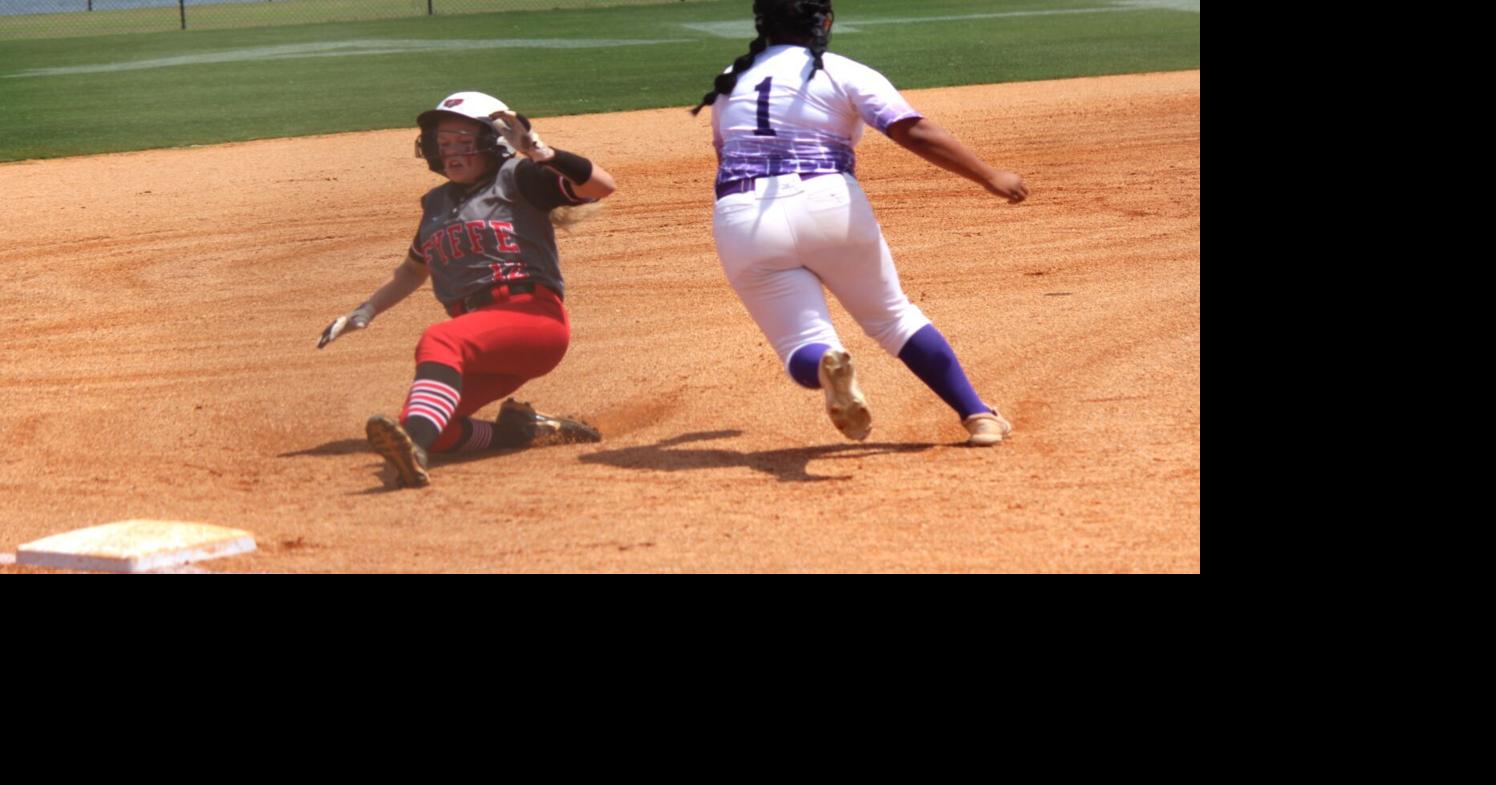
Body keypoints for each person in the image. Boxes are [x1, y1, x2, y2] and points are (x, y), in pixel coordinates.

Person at [691, 0, 1029, 446]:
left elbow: (724, 156)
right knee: (893, 319)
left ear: (762, 23)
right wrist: (989, 176)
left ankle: (823, 364)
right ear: (825, 21)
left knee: (802, 343)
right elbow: (911, 129)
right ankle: (978, 416)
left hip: (744, 216)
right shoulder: (839, 70)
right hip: (828, 202)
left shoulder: (731, 79)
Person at [318, 91, 616, 488]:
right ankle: (517, 432)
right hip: (483, 339)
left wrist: (541, 153)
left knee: (439, 340)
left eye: (463, 142)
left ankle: (414, 451)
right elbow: (411, 270)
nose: (451, 153)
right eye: (443, 144)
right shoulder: (436, 205)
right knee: (432, 424)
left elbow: (602, 185)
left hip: (531, 317)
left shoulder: (520, 178)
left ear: (493, 141)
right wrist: (364, 312)